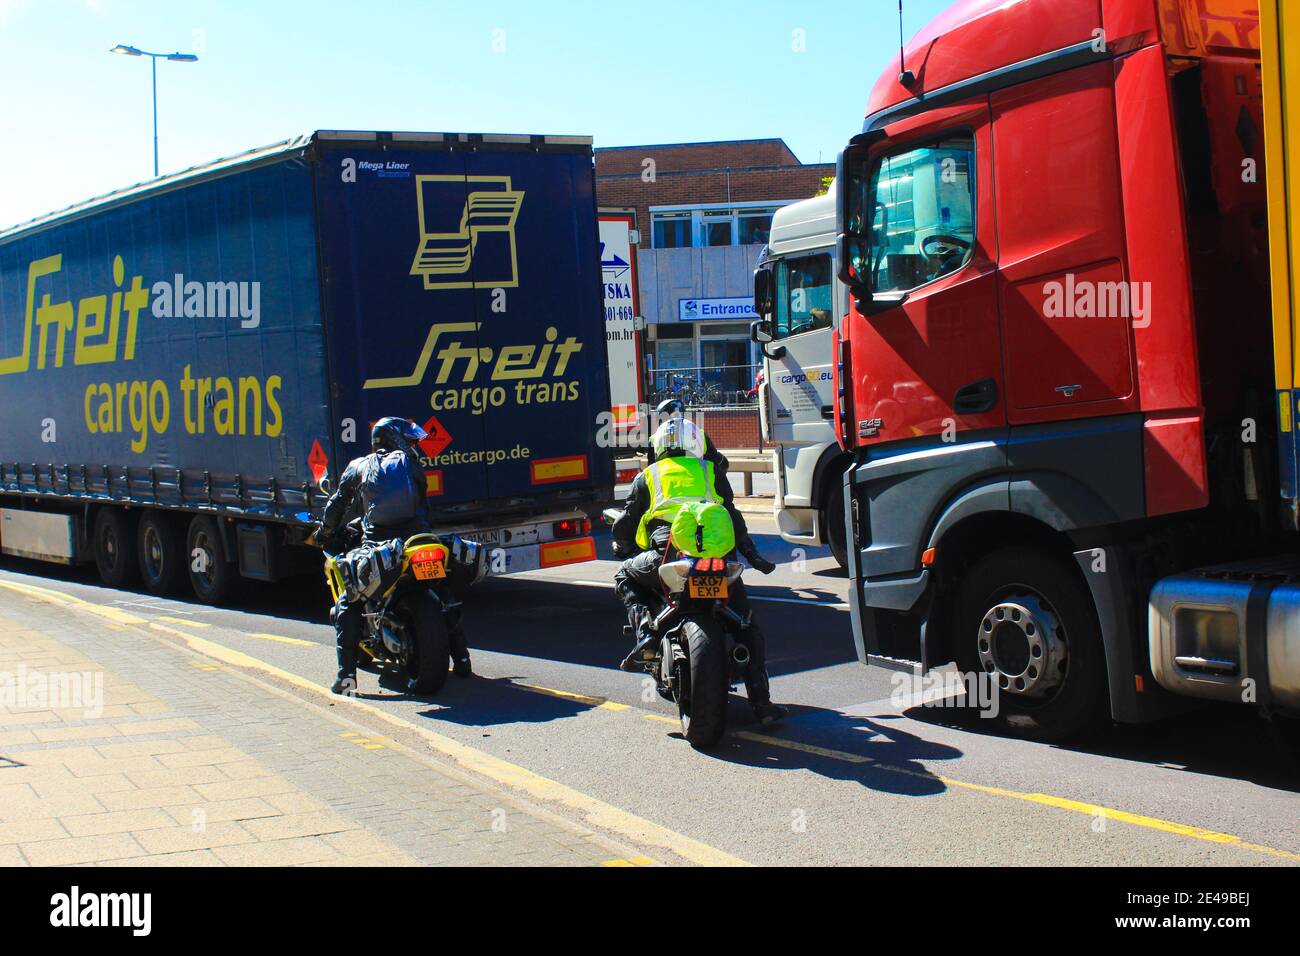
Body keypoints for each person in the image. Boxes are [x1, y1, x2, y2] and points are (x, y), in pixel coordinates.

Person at [612, 417, 787, 726]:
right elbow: (734, 518)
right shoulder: (711, 471)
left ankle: (644, 633)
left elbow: (627, 520)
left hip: (668, 556)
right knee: (746, 624)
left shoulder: (649, 476)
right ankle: (762, 705)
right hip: (717, 561)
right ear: (697, 443)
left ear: (658, 447)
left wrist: (622, 545)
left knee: (625, 574)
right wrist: (753, 556)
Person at [314, 416, 472, 694]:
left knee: (347, 601)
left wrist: (325, 532)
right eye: (410, 440)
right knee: (444, 591)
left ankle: (346, 677)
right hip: (420, 541)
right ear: (395, 439)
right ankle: (462, 660)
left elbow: (337, 504)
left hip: (379, 545)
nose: (414, 445)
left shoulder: (359, 466)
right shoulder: (412, 465)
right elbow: (423, 504)